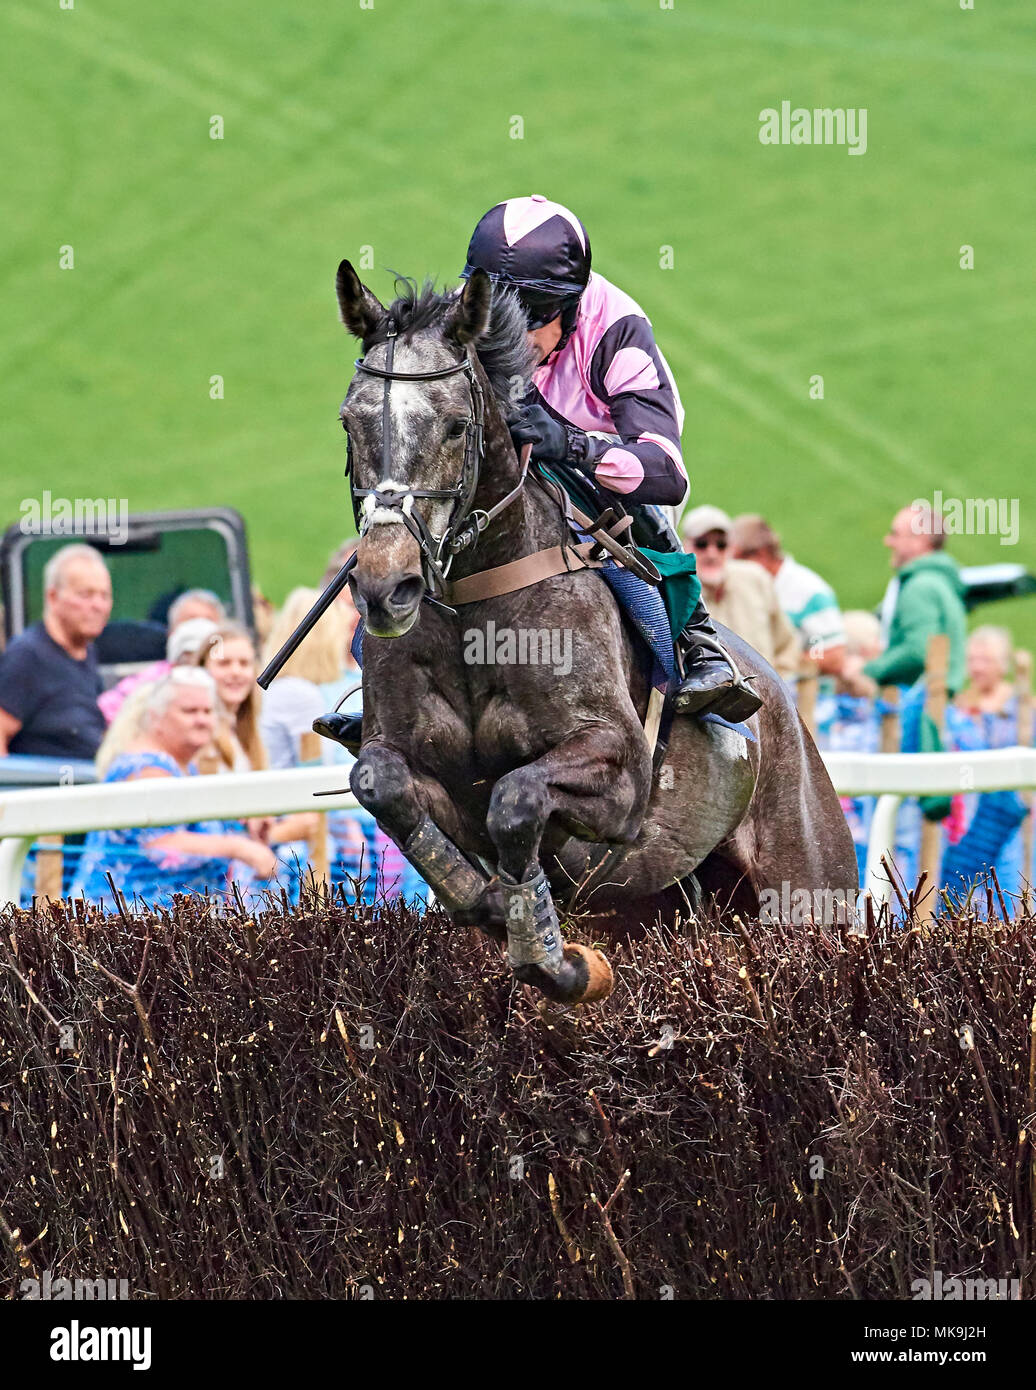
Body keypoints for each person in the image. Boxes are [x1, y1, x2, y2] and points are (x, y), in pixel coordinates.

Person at [316, 194, 761, 753]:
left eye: (536, 316)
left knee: (636, 512)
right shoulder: (462, 311)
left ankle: (697, 642)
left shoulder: (617, 330)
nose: (517, 335)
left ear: (571, 305)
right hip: (504, 468)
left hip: (609, 470)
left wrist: (574, 445)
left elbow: (666, 473)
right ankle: (389, 690)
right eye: (504, 311)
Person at [70, 668, 278, 910]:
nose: (201, 720)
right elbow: (161, 844)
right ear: (156, 717)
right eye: (189, 711)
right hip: (129, 925)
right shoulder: (147, 768)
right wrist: (240, 848)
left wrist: (241, 821)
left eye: (208, 711)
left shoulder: (180, 762)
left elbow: (193, 828)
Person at [842, 503, 967, 697]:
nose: (887, 541)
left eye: (895, 534)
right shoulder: (939, 582)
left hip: (918, 708)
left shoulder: (920, 587)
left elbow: (918, 650)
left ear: (920, 540)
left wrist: (868, 669)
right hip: (935, 703)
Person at [0, 543, 111, 760]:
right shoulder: (28, 655)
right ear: (52, 597)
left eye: (104, 596)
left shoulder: (86, 651)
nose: (98, 605)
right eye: (85, 595)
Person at [681, 505, 799, 680]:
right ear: (684, 547)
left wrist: (778, 686)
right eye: (702, 544)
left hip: (765, 698)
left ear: (730, 549)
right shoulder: (679, 594)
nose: (712, 553)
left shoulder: (756, 579)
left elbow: (788, 644)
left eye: (721, 544)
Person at [730, 513, 846, 676]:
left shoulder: (808, 591)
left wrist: (780, 665)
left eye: (735, 559)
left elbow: (831, 655)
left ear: (761, 555)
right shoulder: (743, 587)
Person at [98, 616, 219, 725]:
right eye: (189, 654)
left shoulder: (219, 686)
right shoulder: (153, 682)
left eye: (204, 657)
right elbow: (106, 709)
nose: (195, 664)